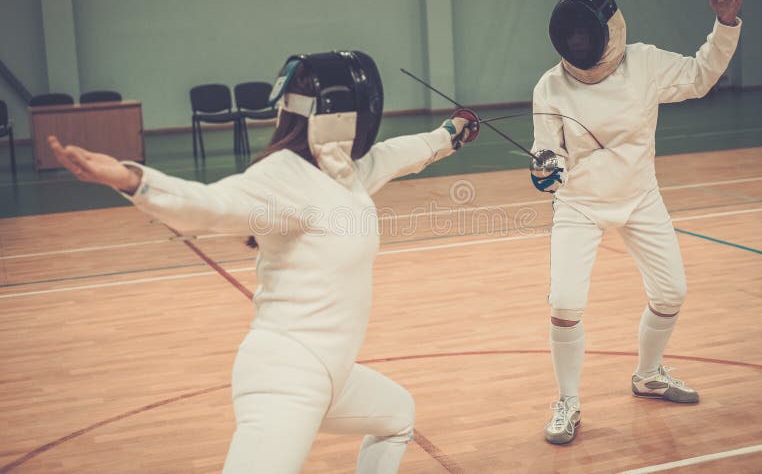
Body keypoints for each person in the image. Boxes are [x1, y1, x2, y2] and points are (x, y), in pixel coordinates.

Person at [48, 51, 478, 472]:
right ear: (346, 117)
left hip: (333, 375)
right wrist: (132, 178)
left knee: (397, 415)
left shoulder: (343, 173)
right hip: (285, 378)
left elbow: (396, 154)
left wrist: (451, 132)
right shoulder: (283, 176)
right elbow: (212, 205)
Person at [529, 0, 743, 444]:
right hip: (580, 205)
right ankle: (567, 401)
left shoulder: (643, 63)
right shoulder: (550, 86)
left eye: (586, 34)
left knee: (671, 293)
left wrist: (725, 25)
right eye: (573, 37)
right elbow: (548, 151)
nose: (579, 43)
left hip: (641, 197)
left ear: (607, 30)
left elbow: (699, 76)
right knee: (565, 303)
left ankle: (648, 375)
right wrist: (547, 168)